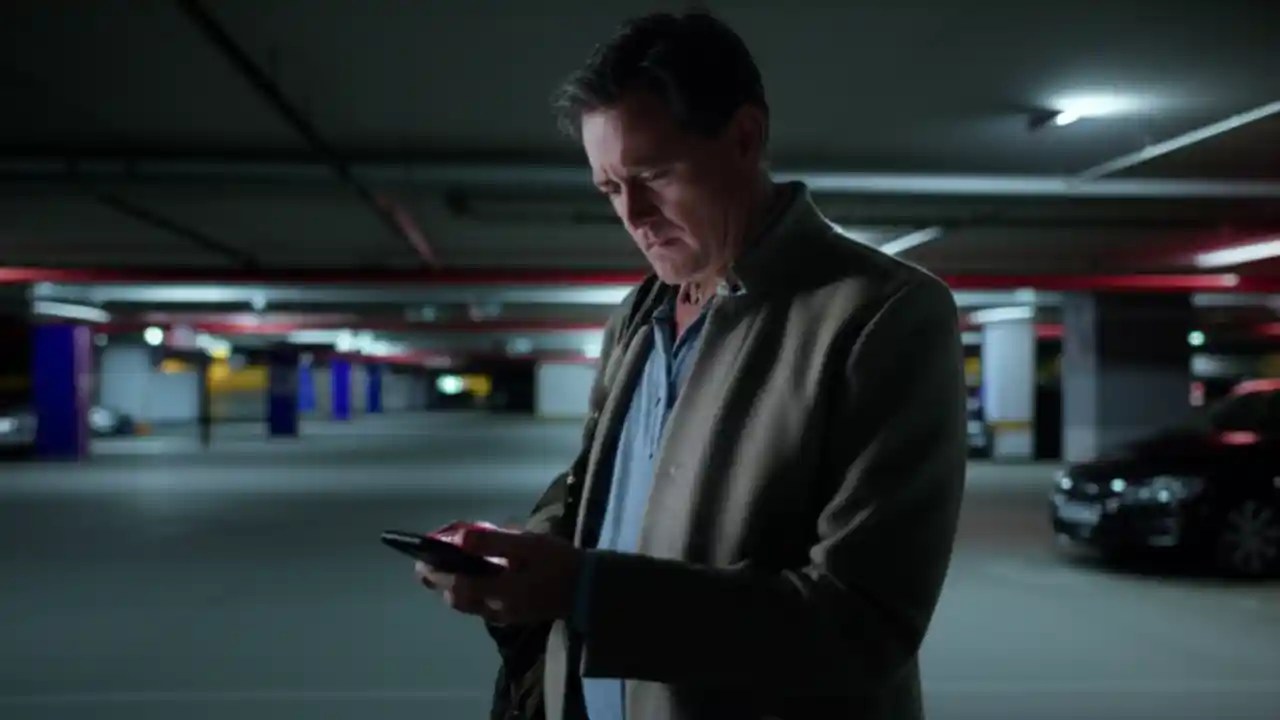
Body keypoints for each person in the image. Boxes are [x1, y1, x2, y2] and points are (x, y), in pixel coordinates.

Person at [415, 11, 967, 720]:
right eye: (610, 189)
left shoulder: (884, 316)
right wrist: (517, 555)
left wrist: (582, 591)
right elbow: (592, 491)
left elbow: (861, 625)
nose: (634, 215)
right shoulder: (639, 316)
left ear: (745, 136)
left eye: (653, 175)